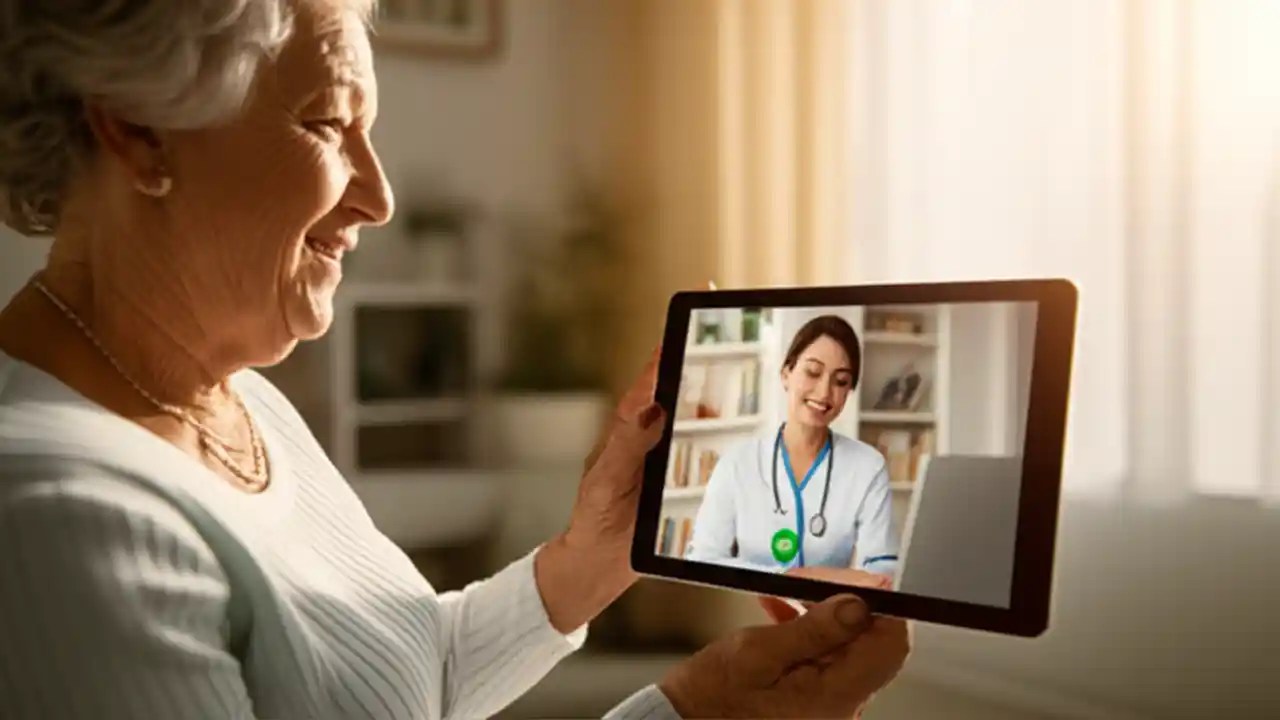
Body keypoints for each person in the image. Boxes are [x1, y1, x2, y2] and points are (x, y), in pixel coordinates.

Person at [0, 1, 908, 718]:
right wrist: (694, 713)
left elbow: (400, 676)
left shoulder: (235, 398)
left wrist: (587, 558)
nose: (379, 196)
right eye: (327, 124)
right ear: (139, 130)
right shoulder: (62, 520)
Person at [686, 315, 899, 586]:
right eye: (813, 372)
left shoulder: (868, 467)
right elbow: (702, 562)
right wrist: (793, 577)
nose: (824, 392)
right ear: (786, 374)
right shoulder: (736, 464)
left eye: (841, 381)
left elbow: (881, 575)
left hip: (831, 611)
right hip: (751, 609)